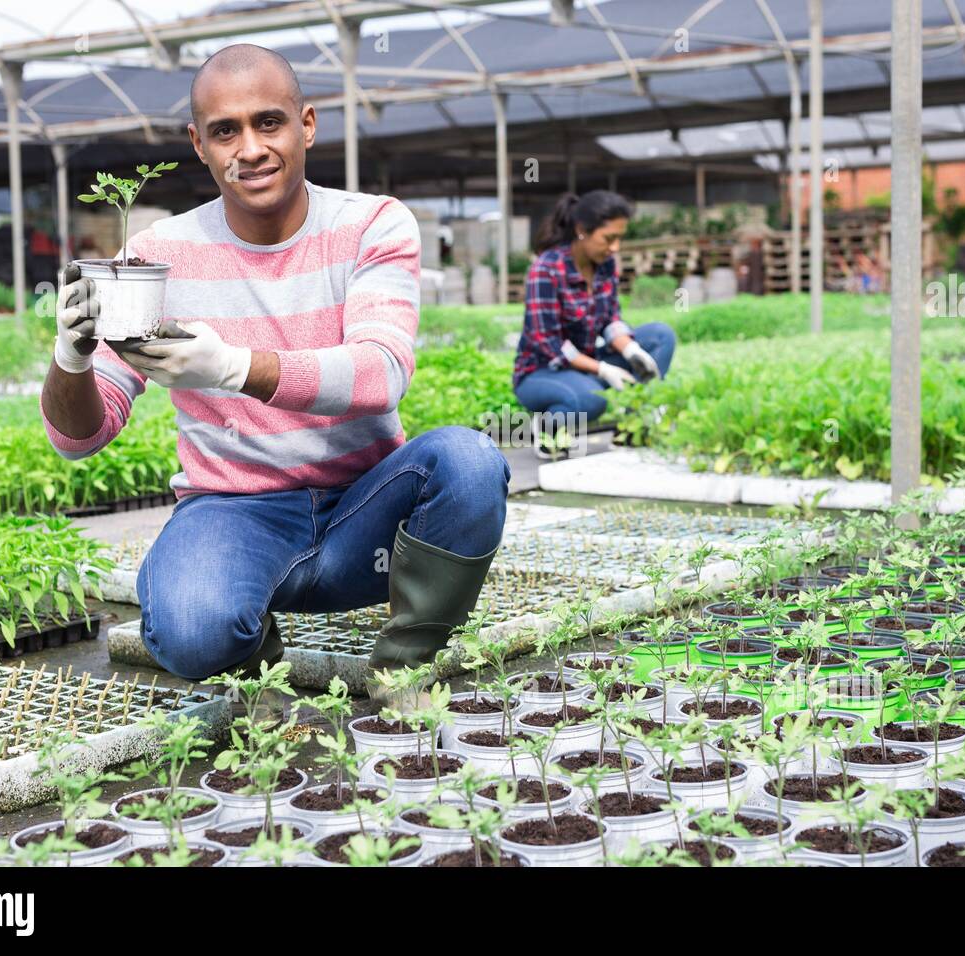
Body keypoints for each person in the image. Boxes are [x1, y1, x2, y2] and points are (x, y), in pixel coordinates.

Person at [42, 44, 509, 690]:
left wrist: (234, 367)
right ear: (199, 145)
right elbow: (80, 439)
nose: (251, 148)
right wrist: (72, 356)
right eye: (225, 131)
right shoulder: (158, 253)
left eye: (269, 122)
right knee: (190, 625)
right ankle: (254, 660)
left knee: (471, 463)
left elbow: (381, 373)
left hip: (363, 513)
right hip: (235, 515)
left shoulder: (371, 225)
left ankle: (404, 670)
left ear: (307, 124)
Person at [513, 191, 676, 449]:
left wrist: (631, 350)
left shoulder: (606, 264)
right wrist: (602, 369)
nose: (615, 247)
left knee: (660, 336)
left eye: (619, 238)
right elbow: (549, 343)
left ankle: (633, 428)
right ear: (582, 230)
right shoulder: (546, 269)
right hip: (541, 372)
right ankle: (547, 428)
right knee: (592, 400)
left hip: (584, 364)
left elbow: (611, 318)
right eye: (609, 238)